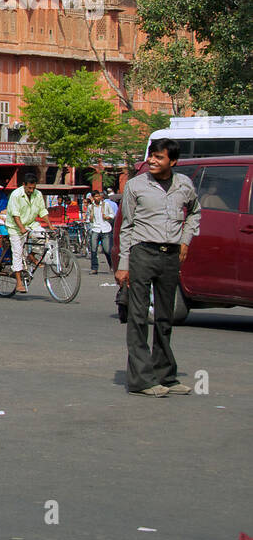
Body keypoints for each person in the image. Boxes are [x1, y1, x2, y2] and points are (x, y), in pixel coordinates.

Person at [116, 138, 201, 397]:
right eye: (151, 156)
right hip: (142, 253)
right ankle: (142, 380)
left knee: (165, 317)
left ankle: (165, 375)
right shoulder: (135, 186)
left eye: (159, 157)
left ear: (172, 162)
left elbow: (195, 212)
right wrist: (123, 264)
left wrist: (186, 241)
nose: (152, 161)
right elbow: (126, 226)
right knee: (139, 317)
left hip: (170, 256)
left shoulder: (184, 184)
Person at [4, 173, 50, 293]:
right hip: (15, 226)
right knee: (18, 253)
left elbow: (42, 211)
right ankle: (19, 282)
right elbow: (15, 215)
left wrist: (50, 225)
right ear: (23, 185)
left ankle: (32, 255)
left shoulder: (38, 194)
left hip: (30, 223)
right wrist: (21, 228)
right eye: (29, 188)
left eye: (33, 188)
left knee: (43, 235)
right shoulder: (16, 195)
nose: (31, 190)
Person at [87, 190, 116, 275]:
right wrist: (89, 219)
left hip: (105, 228)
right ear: (93, 198)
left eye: (98, 196)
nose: (98, 198)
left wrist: (108, 217)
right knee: (93, 249)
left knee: (107, 250)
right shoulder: (90, 207)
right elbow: (88, 217)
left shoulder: (106, 205)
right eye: (96, 196)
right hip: (95, 229)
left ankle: (112, 265)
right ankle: (94, 268)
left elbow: (112, 214)